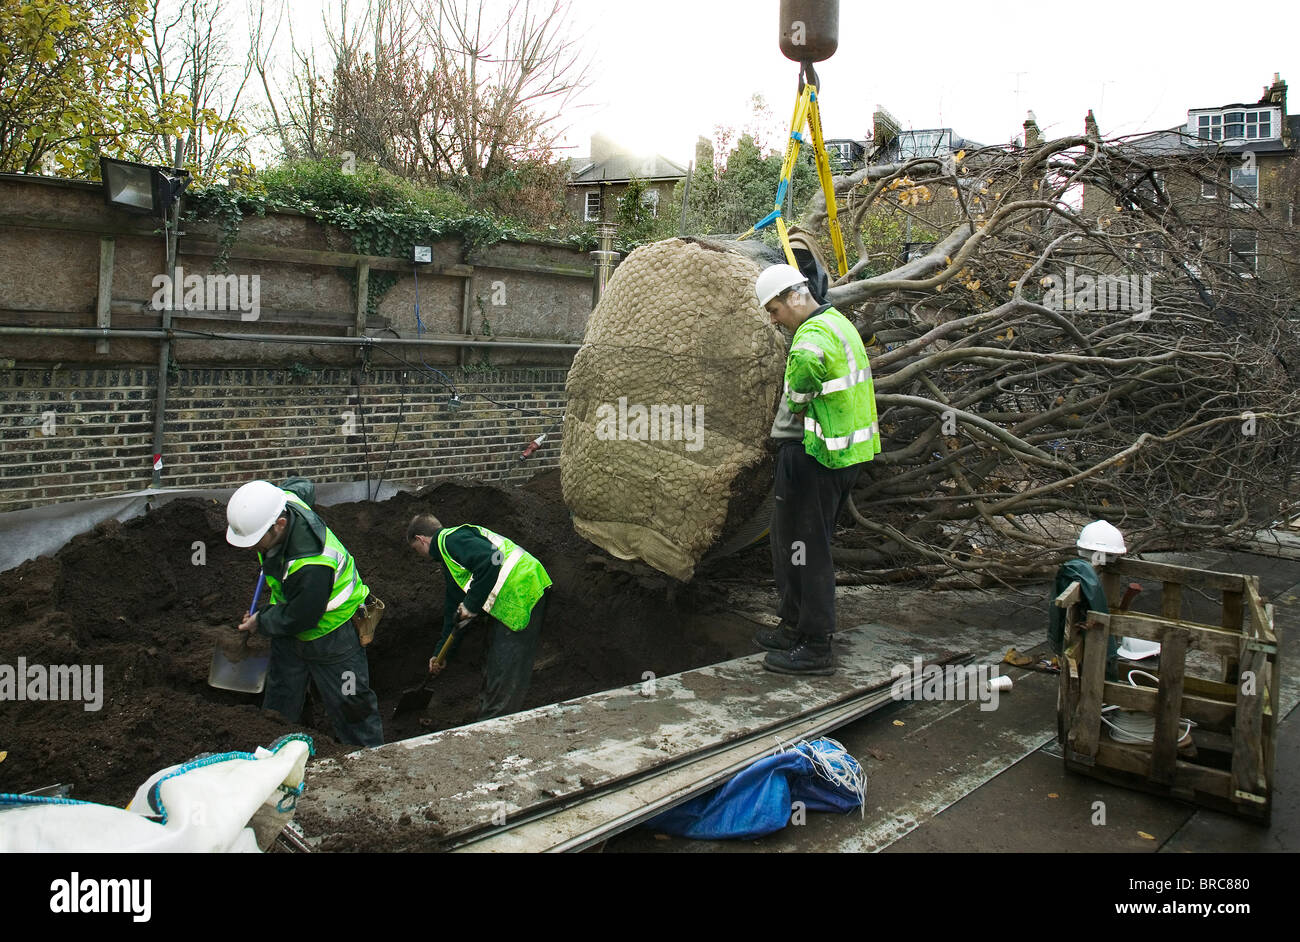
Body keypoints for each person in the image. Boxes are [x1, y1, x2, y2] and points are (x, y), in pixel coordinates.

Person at [753, 264, 882, 675]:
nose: (774, 319)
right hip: (841, 455)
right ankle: (793, 626)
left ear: (794, 296)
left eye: (774, 309)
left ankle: (815, 645)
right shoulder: (839, 324)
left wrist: (794, 398)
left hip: (814, 455)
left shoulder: (809, 336)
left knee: (807, 550)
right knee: (792, 544)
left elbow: (801, 387)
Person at [225, 477, 383, 747]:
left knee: (350, 701)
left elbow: (302, 617)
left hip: (333, 635)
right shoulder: (285, 502)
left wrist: (260, 621)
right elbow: (304, 486)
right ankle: (274, 748)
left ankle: (367, 756)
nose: (252, 547)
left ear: (281, 524)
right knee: (280, 698)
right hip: (291, 626)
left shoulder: (312, 563)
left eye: (256, 540)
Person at [406, 513, 551, 720]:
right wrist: (441, 654)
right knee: (492, 658)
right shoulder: (451, 559)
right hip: (509, 601)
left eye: (416, 550)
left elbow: (492, 560)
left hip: (523, 592)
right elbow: (453, 612)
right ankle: (487, 715)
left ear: (421, 539)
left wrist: (471, 605)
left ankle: (497, 723)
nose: (419, 555)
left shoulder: (451, 540)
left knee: (505, 665)